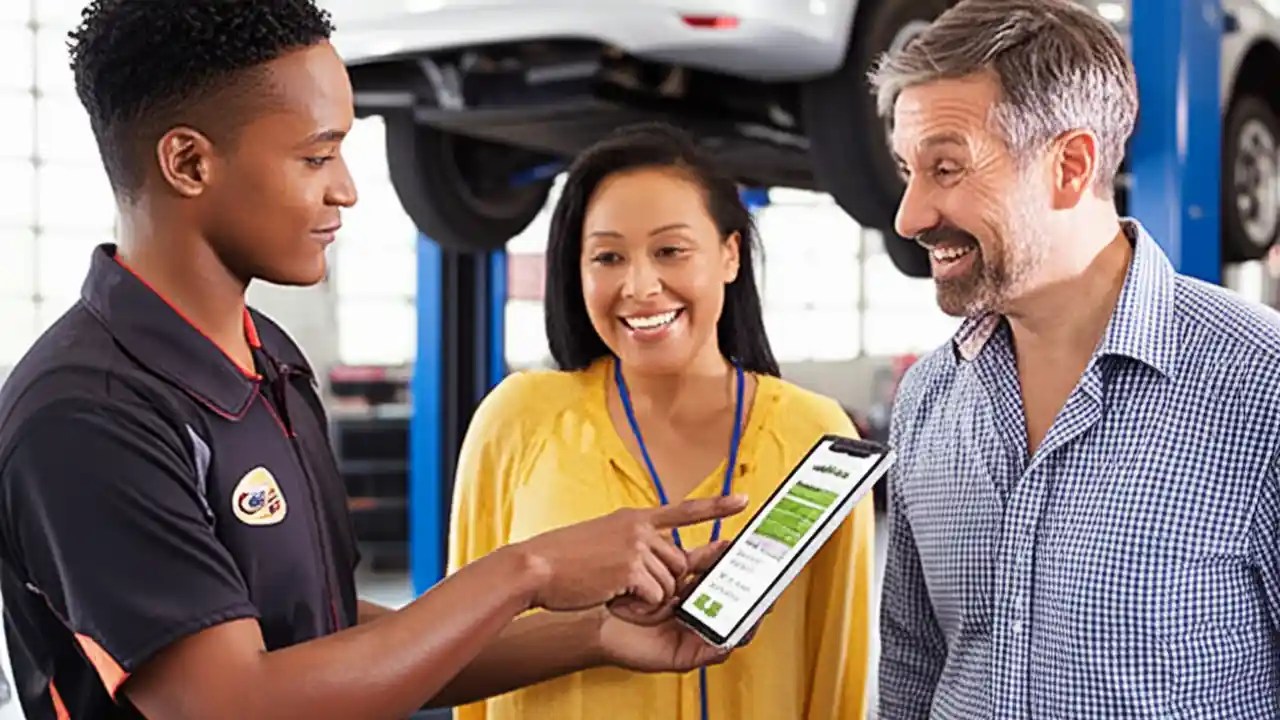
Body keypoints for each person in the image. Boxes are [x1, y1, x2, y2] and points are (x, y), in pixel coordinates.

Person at [0, 3, 751, 720]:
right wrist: (531, 570)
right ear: (189, 162)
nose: (347, 189)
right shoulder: (86, 416)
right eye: (316, 156)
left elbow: (326, 637)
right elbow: (235, 703)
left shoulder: (269, 361)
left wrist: (594, 634)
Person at [869, 0, 1280, 717]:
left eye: (945, 167)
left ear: (1071, 164)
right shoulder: (930, 396)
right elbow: (912, 660)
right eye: (908, 170)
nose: (908, 216)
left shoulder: (1259, 387)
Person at [447, 122, 878, 720]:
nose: (640, 285)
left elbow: (836, 671)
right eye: (608, 257)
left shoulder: (815, 435)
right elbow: (450, 649)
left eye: (671, 250)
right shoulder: (518, 420)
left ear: (730, 254)